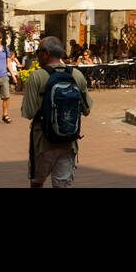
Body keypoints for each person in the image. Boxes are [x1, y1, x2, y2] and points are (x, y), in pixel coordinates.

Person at [21, 35, 93, 188]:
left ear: (46, 53)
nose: (36, 55)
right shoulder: (76, 75)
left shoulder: (36, 76)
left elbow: (28, 112)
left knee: (37, 183)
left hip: (42, 141)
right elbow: (87, 109)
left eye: (38, 52)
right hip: (69, 141)